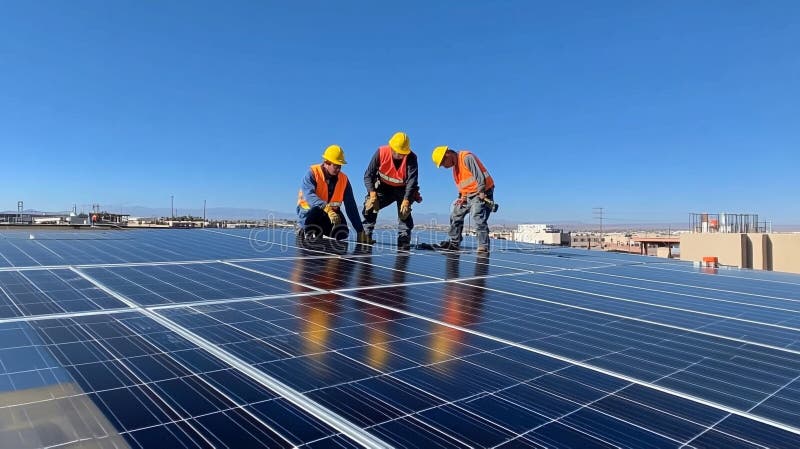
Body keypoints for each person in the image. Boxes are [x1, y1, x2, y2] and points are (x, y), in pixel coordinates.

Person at [362, 131, 421, 250]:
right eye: (398, 152)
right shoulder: (381, 152)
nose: (400, 155)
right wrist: (372, 193)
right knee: (370, 206)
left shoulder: (411, 157)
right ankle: (366, 235)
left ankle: (403, 239)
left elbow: (412, 181)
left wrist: (406, 200)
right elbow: (368, 175)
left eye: (403, 153)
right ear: (391, 147)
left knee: (405, 213)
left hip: (403, 190)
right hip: (383, 188)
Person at [297, 145, 368, 242]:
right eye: (336, 165)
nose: (339, 168)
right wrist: (326, 208)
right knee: (316, 213)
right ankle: (306, 230)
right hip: (310, 214)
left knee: (342, 233)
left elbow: (351, 206)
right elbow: (309, 196)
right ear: (326, 163)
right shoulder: (312, 173)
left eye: (340, 166)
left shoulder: (344, 180)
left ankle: (321, 231)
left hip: (330, 215)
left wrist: (360, 231)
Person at [431, 146, 495, 253]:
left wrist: (482, 192)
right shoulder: (455, 169)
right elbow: (463, 185)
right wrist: (462, 197)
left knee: (476, 215)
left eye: (443, 163)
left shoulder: (466, 158)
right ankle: (454, 242)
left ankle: (483, 245)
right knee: (455, 214)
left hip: (482, 191)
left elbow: (480, 177)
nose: (444, 167)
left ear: (448, 154)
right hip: (468, 194)